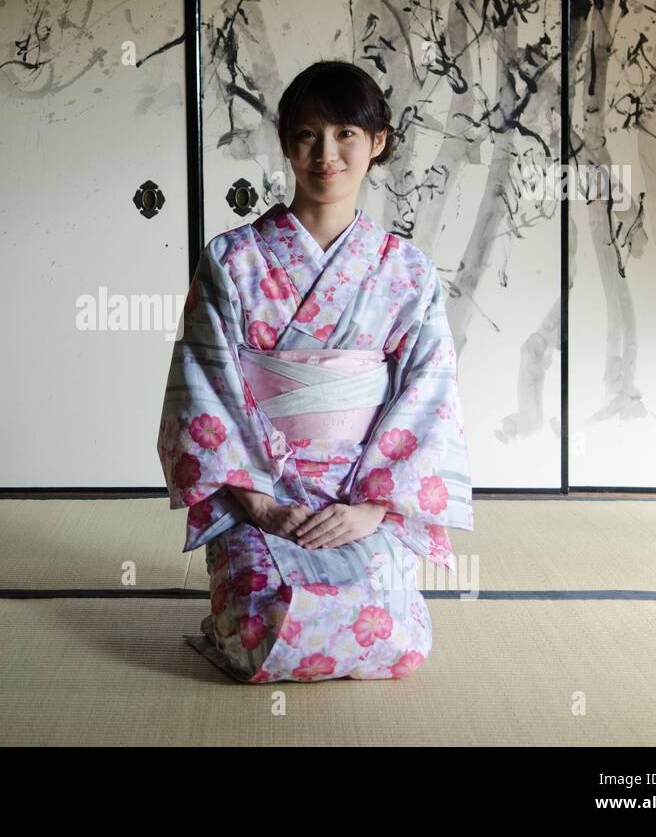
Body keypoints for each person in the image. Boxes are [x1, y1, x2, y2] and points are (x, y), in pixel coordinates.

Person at [156, 60, 474, 683]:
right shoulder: (233, 259)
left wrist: (374, 511)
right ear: (286, 144)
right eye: (307, 135)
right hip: (262, 491)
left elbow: (428, 395)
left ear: (377, 143)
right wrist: (260, 505)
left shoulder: (406, 270)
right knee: (265, 625)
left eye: (345, 135)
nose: (326, 154)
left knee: (394, 634)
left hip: (361, 492)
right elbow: (201, 388)